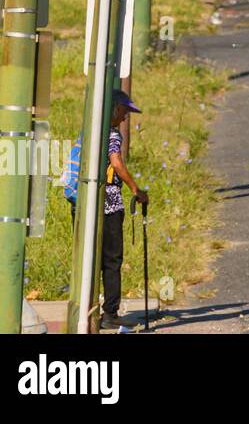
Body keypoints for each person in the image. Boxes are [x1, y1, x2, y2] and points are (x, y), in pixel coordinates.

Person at [101, 91, 148, 330]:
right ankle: (110, 313)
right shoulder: (112, 135)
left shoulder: (92, 132)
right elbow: (116, 162)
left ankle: (88, 308)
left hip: (87, 203)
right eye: (124, 112)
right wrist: (135, 189)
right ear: (115, 109)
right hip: (109, 204)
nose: (124, 118)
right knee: (112, 260)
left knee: (95, 258)